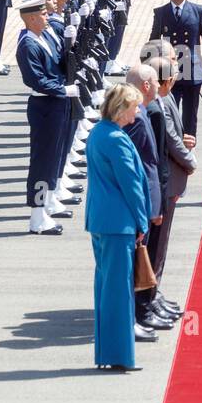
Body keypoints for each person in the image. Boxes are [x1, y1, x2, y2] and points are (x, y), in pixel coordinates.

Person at [85, 84, 151, 371]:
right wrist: (142, 220)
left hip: (101, 219)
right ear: (122, 109)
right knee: (119, 292)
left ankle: (108, 352)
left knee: (106, 288)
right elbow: (131, 183)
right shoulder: (116, 139)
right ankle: (120, 355)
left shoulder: (99, 132)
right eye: (134, 107)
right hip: (118, 223)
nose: (136, 113)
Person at [16, 0, 77, 235]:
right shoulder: (28, 45)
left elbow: (60, 61)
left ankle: (48, 203)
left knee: (54, 157)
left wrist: (72, 42)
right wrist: (63, 90)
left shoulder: (44, 38)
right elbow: (36, 80)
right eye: (42, 14)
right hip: (44, 106)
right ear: (31, 19)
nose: (47, 17)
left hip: (56, 104)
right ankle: (37, 215)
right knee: (42, 162)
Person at [147, 50, 194, 323]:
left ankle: (154, 292)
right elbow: (169, 141)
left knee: (160, 245)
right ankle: (148, 298)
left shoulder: (167, 97)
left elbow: (175, 134)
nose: (177, 65)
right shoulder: (157, 104)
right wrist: (190, 161)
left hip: (168, 181)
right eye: (172, 61)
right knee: (155, 244)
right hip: (162, 183)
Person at [125, 64, 171, 333]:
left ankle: (145, 306)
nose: (158, 85)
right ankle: (140, 311)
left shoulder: (141, 112)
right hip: (142, 201)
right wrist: (152, 206)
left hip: (147, 198)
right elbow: (143, 166)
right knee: (139, 257)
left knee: (144, 255)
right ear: (145, 86)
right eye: (154, 82)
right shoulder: (138, 117)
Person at [150, 0, 202, 136]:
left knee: (190, 117)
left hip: (192, 70)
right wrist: (152, 71)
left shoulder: (199, 11)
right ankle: (170, 146)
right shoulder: (161, 12)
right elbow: (153, 44)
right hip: (169, 72)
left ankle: (189, 147)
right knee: (168, 114)